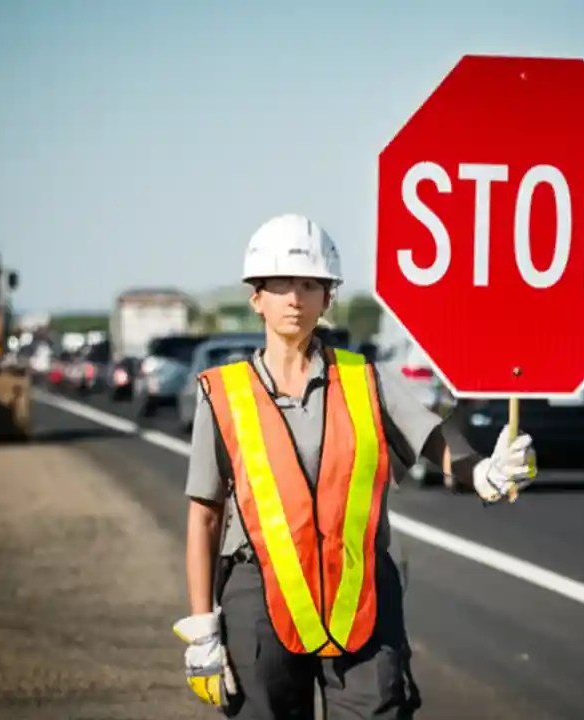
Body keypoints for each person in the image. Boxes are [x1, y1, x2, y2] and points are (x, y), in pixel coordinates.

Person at [172, 213, 537, 719]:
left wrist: (481, 472)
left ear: (328, 297)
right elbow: (204, 514)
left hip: (360, 591)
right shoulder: (223, 394)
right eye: (279, 285)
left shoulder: (364, 379)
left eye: (309, 285)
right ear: (256, 298)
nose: (294, 298)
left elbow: (430, 435)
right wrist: (201, 628)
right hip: (259, 597)